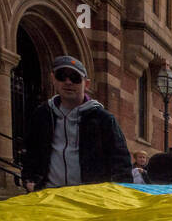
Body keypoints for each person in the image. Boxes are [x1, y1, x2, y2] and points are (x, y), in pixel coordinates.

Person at [21, 56, 132, 190]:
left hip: (89, 198)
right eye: (61, 76)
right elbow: (30, 151)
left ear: (87, 84)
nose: (68, 82)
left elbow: (121, 160)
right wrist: (29, 180)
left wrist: (119, 192)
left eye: (75, 77)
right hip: (47, 196)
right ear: (53, 79)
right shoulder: (42, 114)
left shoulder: (103, 119)